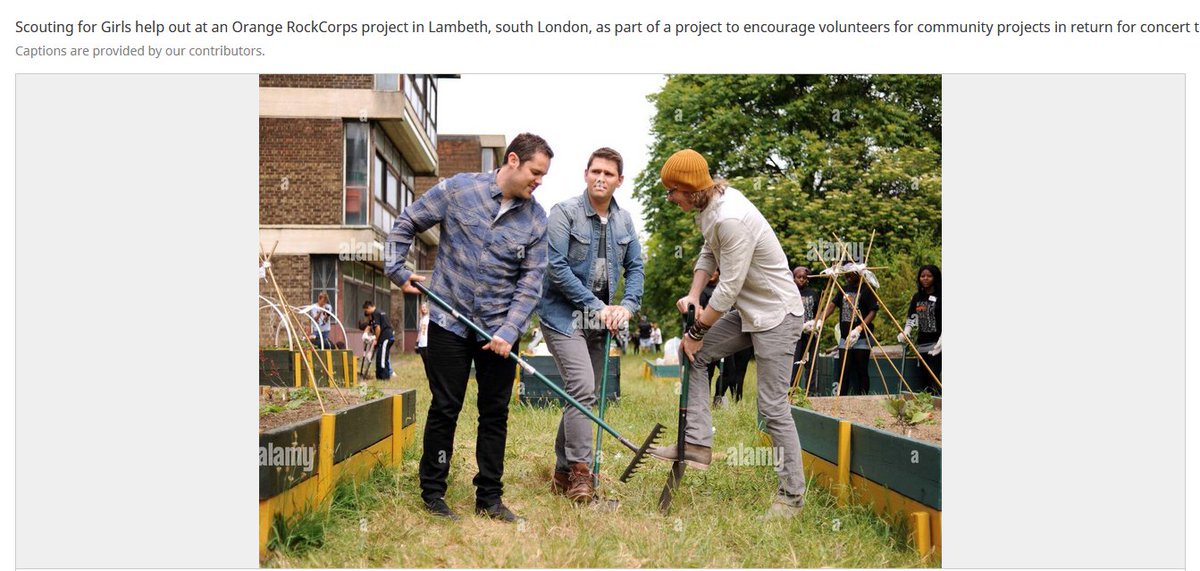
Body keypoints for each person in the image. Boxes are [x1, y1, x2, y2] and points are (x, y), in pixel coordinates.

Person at [385, 132, 553, 523]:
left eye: (543, 175)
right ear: (512, 160)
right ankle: (433, 492)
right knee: (446, 407)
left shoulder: (536, 220)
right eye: (535, 172)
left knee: (494, 413)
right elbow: (409, 221)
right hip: (449, 320)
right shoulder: (460, 189)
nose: (539, 181)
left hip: (498, 332)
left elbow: (532, 283)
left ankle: (490, 498)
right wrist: (397, 270)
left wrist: (510, 330)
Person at [650, 149, 807, 519]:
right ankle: (697, 443)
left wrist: (699, 328)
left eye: (672, 191)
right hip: (750, 312)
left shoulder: (731, 217)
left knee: (771, 408)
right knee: (696, 356)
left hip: (777, 315)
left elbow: (730, 287)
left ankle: (791, 496)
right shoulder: (710, 209)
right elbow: (709, 253)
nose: (670, 198)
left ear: (688, 189)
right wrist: (692, 293)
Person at [536, 147, 644, 503]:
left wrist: (625, 308)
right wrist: (599, 307)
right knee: (582, 388)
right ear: (585, 174)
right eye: (595, 171)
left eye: (609, 174)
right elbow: (557, 269)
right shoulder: (564, 213)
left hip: (601, 321)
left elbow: (636, 268)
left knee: (580, 396)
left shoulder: (625, 222)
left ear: (619, 181)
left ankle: (562, 473)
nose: (601, 178)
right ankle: (583, 475)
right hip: (562, 316)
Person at [810, 261, 878, 396]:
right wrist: (819, 321)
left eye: (850, 275)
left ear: (857, 273)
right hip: (845, 337)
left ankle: (863, 397)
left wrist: (859, 329)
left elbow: (873, 311)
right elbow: (832, 306)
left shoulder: (867, 289)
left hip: (861, 337)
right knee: (844, 370)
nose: (847, 277)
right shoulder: (844, 289)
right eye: (845, 275)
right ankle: (843, 398)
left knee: (861, 370)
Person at [900, 264, 942, 395]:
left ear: (935, 278)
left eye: (929, 276)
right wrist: (906, 331)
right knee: (924, 380)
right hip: (922, 344)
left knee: (934, 378)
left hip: (938, 344)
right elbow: (912, 317)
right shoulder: (917, 297)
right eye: (922, 276)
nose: (925, 278)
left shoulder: (942, 296)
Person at [790, 267, 820, 392]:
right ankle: (791, 390)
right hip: (795, 334)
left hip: (810, 333)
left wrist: (816, 322)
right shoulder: (790, 292)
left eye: (804, 277)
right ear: (794, 278)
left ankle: (811, 391)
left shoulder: (813, 293)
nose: (801, 279)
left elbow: (818, 311)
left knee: (811, 363)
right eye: (799, 277)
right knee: (794, 363)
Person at [362, 300, 394, 380]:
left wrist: (375, 338)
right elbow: (369, 326)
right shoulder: (376, 313)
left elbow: (378, 328)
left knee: (383, 357)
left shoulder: (376, 313)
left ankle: (384, 376)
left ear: (369, 308)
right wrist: (365, 334)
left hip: (385, 338)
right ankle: (379, 376)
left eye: (366, 310)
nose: (366, 313)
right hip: (383, 339)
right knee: (379, 356)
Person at [415, 301, 430, 366]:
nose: (423, 308)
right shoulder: (421, 319)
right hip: (421, 343)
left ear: (427, 308)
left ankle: (430, 375)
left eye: (425, 307)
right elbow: (420, 331)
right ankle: (427, 375)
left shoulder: (430, 318)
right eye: (422, 307)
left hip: (427, 343)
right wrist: (416, 342)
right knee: (424, 361)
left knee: (428, 360)